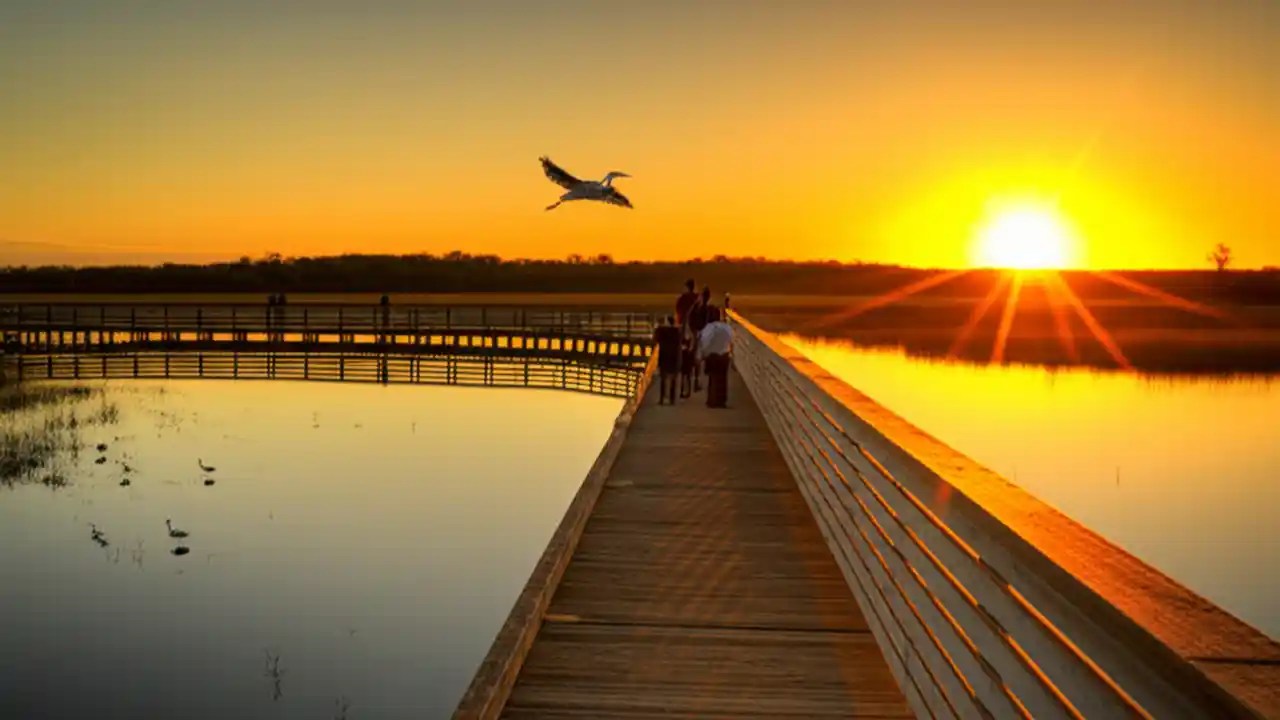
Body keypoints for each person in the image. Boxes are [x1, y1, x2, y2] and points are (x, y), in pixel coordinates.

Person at [698, 306, 734, 408]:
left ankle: (712, 400)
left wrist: (703, 354)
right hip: (724, 355)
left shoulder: (709, 328)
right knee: (722, 379)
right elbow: (731, 339)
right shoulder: (726, 327)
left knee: (712, 378)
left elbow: (705, 342)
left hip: (712, 355)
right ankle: (721, 401)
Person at [686, 286, 712, 391]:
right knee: (698, 358)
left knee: (695, 357)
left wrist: (693, 330)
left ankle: (692, 381)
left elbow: (689, 318)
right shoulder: (704, 308)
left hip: (696, 333)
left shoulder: (696, 307)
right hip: (700, 334)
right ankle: (695, 382)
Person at [653, 315, 682, 405]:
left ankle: (662, 399)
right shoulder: (677, 331)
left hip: (664, 355)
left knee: (663, 379)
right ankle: (672, 399)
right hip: (674, 355)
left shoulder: (661, 330)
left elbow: (655, 340)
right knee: (673, 379)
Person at [679, 335, 696, 399]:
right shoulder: (690, 347)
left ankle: (684, 391)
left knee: (685, 377)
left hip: (686, 361)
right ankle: (686, 391)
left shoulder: (685, 347)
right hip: (687, 362)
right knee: (686, 377)